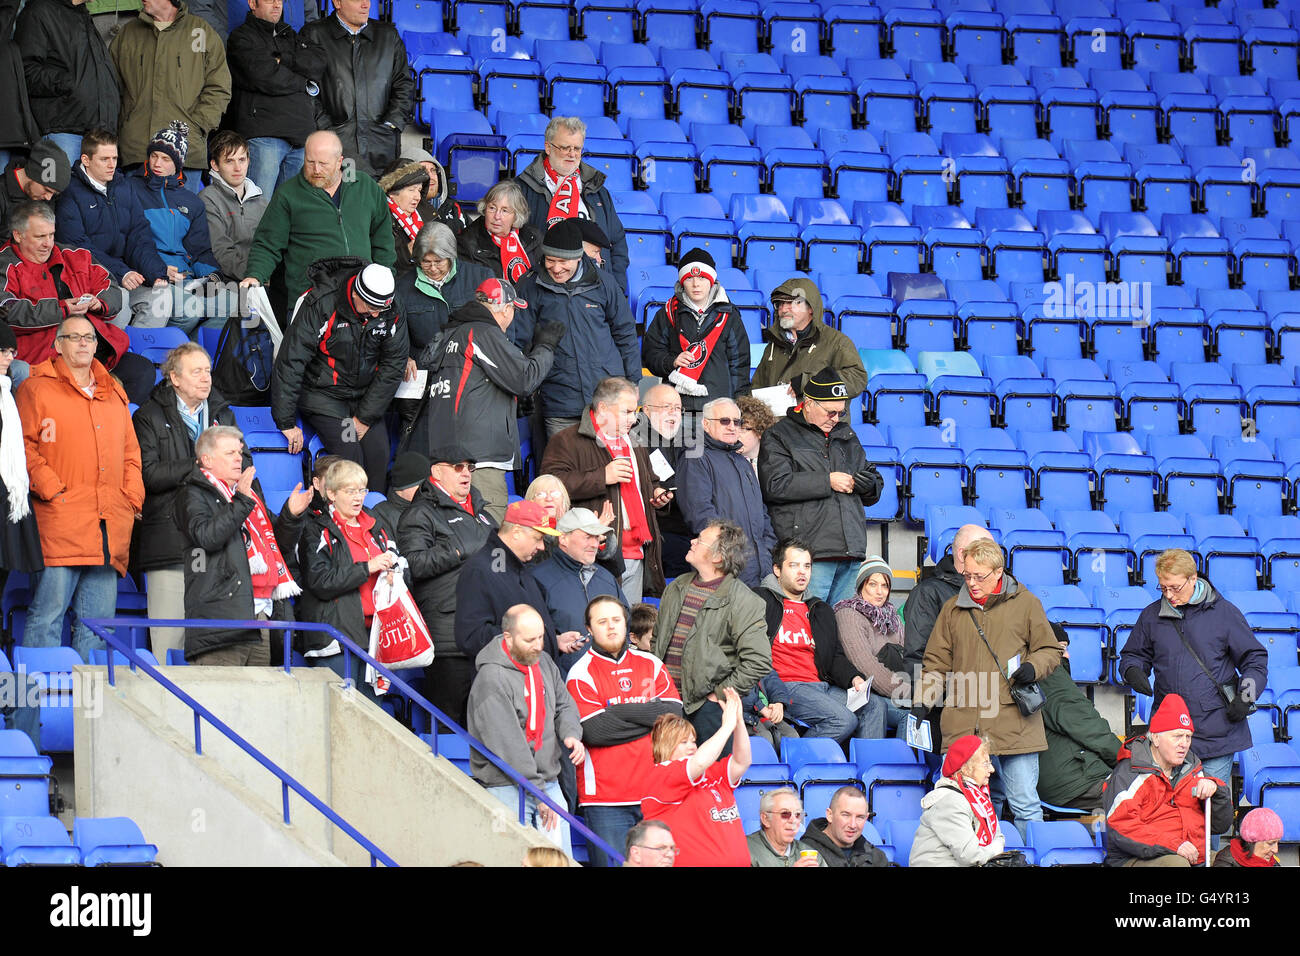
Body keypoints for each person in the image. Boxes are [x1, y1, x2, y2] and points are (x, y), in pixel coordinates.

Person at [15, 315, 143, 661]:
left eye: (89, 337)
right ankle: (37, 711)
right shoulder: (35, 388)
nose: (84, 343)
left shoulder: (113, 391)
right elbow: (22, 448)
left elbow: (132, 453)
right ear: (57, 345)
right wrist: (54, 491)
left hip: (108, 527)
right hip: (60, 523)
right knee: (46, 619)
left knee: (99, 629)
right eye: (74, 337)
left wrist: (131, 498)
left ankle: (87, 715)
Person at [918, 537, 1062, 837]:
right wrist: (924, 699)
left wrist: (1031, 668)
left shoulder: (1027, 604)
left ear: (998, 572)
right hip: (965, 725)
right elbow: (935, 661)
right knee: (967, 807)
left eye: (978, 576)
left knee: (1024, 805)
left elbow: (1050, 650)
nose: (971, 582)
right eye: (966, 575)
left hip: (1014, 722)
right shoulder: (951, 609)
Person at [1119, 547, 1268, 829]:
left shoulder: (1224, 613)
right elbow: (1132, 655)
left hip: (1216, 733)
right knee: (1169, 815)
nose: (1168, 595)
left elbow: (1254, 658)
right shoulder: (1152, 616)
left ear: (1193, 578)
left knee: (1207, 815)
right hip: (1169, 736)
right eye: (1162, 588)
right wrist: (1133, 671)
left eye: (1174, 587)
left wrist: (1246, 694)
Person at [409, 277, 564, 522]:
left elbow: (476, 385)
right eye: (513, 308)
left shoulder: (450, 332)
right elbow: (525, 378)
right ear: (506, 309)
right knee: (488, 532)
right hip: (478, 460)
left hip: (445, 456)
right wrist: (545, 347)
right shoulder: (482, 332)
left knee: (455, 529)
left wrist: (511, 403)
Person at [132, 343, 242, 658]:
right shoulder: (148, 415)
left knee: (212, 646)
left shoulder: (222, 413)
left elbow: (241, 465)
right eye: (197, 371)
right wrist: (199, 465)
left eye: (208, 370)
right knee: (170, 643)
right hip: (168, 542)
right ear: (175, 378)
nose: (206, 378)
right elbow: (149, 475)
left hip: (217, 544)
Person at [175, 424, 310, 664]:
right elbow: (207, 537)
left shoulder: (246, 494)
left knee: (258, 699)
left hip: (262, 612)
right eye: (230, 454)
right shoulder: (192, 493)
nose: (239, 459)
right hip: (222, 618)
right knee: (221, 699)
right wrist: (241, 501)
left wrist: (290, 515)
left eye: (239, 452)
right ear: (206, 459)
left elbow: (278, 546)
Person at [270, 259, 407, 491]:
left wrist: (364, 418)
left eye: (380, 309)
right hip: (326, 397)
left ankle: (372, 520)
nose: (375, 315)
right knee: (350, 451)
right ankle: (346, 519)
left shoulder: (390, 308)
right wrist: (285, 420)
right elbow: (291, 360)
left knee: (379, 454)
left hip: (364, 398)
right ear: (355, 295)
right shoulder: (322, 303)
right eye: (371, 308)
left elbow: (393, 365)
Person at [566, 594, 682, 867]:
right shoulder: (580, 673)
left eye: (616, 619)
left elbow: (673, 716)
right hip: (606, 800)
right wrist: (649, 720)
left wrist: (615, 711)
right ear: (589, 629)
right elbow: (595, 731)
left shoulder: (651, 664)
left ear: (626, 624)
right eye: (602, 621)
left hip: (654, 794)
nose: (611, 626)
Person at [758, 366, 882, 605]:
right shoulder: (779, 435)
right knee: (809, 622)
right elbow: (775, 485)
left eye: (840, 413)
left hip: (851, 549)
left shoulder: (847, 434)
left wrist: (866, 485)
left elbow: (873, 480)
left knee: (842, 626)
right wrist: (827, 481)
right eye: (830, 412)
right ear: (808, 404)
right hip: (810, 551)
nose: (836, 419)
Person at [540, 376, 671, 602]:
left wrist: (657, 495)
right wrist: (603, 476)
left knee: (625, 628)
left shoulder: (635, 439)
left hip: (639, 551)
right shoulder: (567, 440)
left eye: (635, 411)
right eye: (626, 412)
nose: (634, 418)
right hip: (599, 552)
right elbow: (551, 485)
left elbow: (651, 480)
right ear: (602, 408)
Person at [468, 603, 584, 855]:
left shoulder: (543, 661)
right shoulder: (491, 679)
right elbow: (508, 746)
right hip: (506, 786)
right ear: (508, 637)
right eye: (530, 639)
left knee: (559, 860)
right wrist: (537, 794)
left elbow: (565, 704)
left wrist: (571, 733)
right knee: (509, 858)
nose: (539, 645)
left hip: (548, 782)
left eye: (542, 637)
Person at [397, 444, 497, 725]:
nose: (466, 473)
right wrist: (455, 550)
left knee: (483, 725)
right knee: (448, 726)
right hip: (447, 638)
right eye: (457, 467)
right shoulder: (421, 513)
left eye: (470, 468)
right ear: (436, 472)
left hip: (484, 633)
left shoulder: (482, 512)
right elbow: (411, 564)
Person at [650, 520, 770, 751]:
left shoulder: (744, 601)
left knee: (712, 781)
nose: (692, 541)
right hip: (666, 704)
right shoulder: (676, 587)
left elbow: (758, 660)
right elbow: (657, 639)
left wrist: (718, 695)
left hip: (707, 711)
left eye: (700, 540)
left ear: (717, 557)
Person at [241, 130, 396, 306]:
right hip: (309, 301)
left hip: (360, 300)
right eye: (310, 162)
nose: (316, 170)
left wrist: (386, 280)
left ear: (340, 162)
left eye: (323, 164)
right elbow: (267, 244)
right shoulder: (288, 194)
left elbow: (383, 242)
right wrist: (255, 275)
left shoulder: (366, 186)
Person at [513, 222, 640, 436]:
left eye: (563, 261)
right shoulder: (529, 286)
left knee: (613, 465)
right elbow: (518, 341)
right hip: (560, 399)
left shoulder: (605, 283)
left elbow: (625, 333)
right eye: (550, 260)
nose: (556, 267)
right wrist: (521, 388)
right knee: (564, 467)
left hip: (608, 398)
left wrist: (634, 382)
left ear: (579, 257)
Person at [0, 201, 137, 388]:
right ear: (18, 235)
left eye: (51, 235)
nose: (48, 244)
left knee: (141, 371)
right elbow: (6, 311)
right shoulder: (5, 264)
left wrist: (99, 303)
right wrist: (62, 309)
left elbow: (111, 287)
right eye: (40, 236)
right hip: (39, 358)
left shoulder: (74, 254)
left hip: (91, 348)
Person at [297, 458, 406, 689]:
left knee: (371, 714)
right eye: (350, 491)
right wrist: (367, 567)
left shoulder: (377, 527)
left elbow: (400, 563)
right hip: (337, 637)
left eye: (362, 490)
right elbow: (320, 580)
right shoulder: (317, 530)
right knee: (341, 713)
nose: (358, 497)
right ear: (331, 493)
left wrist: (394, 574)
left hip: (376, 635)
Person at [758, 538, 882, 741]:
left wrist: (853, 677)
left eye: (807, 566)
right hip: (787, 686)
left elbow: (834, 655)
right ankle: (798, 759)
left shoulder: (820, 609)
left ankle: (871, 772)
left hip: (821, 687)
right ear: (777, 570)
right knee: (842, 720)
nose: (802, 572)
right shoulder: (760, 601)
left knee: (874, 705)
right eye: (794, 565)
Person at [1102, 694, 1232, 867]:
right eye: (1177, 736)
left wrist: (1216, 791)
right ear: (1155, 738)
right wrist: (1173, 845)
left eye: (1188, 737)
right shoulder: (1130, 772)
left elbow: (1220, 825)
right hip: (1138, 858)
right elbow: (1122, 826)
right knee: (1177, 865)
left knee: (1238, 860)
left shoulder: (1193, 770)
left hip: (1192, 855)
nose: (1184, 744)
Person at [54, 128, 172, 309]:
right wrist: (121, 273)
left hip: (123, 273)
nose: (112, 165)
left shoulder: (124, 186)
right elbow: (77, 246)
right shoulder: (69, 191)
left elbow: (139, 235)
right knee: (120, 299)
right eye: (104, 159)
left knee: (161, 298)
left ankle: (141, 339)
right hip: (90, 279)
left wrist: (155, 272)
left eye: (115, 158)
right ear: (86, 160)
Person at [110, 0, 231, 173]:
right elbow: (111, 89)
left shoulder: (201, 31)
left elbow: (219, 87)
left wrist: (197, 126)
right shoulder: (128, 33)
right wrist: (124, 126)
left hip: (186, 152)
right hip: (136, 152)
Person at [514, 116, 629, 293]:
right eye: (565, 147)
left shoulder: (598, 190)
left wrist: (617, 288)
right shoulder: (522, 188)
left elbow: (617, 241)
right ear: (548, 147)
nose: (572, 154)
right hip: (544, 287)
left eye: (577, 148)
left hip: (595, 289)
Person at [640, 689, 752, 867]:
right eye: (683, 742)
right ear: (665, 746)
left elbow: (742, 762)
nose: (692, 747)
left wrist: (738, 724)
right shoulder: (661, 774)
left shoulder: (710, 772)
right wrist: (726, 727)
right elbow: (699, 762)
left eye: (693, 741)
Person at [225, 0, 327, 195]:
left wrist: (284, 60)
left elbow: (318, 62)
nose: (276, 4)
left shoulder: (291, 34)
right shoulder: (241, 37)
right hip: (265, 137)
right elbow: (264, 76)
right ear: (252, 3)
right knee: (260, 211)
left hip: (300, 136)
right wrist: (303, 83)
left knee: (292, 214)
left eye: (279, 0)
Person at [301, 0, 412, 177]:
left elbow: (403, 84)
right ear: (337, 2)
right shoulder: (315, 34)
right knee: (342, 200)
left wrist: (391, 124)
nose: (365, 4)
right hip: (336, 146)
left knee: (378, 201)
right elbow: (307, 90)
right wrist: (328, 133)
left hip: (382, 144)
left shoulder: (388, 36)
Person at [124, 121, 221, 324]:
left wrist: (212, 277)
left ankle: (200, 352)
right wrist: (160, 269)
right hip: (153, 275)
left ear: (177, 164)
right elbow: (130, 242)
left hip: (187, 277)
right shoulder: (130, 189)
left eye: (166, 159)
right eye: (154, 156)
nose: (157, 164)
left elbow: (200, 250)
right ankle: (175, 351)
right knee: (191, 310)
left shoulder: (192, 202)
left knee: (235, 305)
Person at [676, 396, 775, 589]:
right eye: (724, 421)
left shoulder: (742, 461)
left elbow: (762, 513)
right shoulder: (696, 457)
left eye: (737, 422)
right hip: (725, 566)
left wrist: (768, 549)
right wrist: (727, 554)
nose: (732, 427)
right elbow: (700, 515)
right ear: (705, 424)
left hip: (761, 566)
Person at [454, 499, 565, 663]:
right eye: (538, 538)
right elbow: (470, 636)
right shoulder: (479, 570)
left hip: (533, 678)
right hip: (506, 683)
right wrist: (524, 640)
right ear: (517, 532)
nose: (542, 546)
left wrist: (554, 640)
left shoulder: (519, 566)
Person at [641, 248, 750, 415]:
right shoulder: (666, 314)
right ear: (682, 282)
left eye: (702, 278)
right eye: (689, 278)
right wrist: (672, 361)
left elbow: (739, 364)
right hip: (677, 406)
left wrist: (739, 406)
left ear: (712, 281)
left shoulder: (730, 315)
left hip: (718, 407)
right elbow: (650, 354)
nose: (696, 284)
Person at [14, 0, 120, 168]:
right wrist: (70, 84)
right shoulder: (39, 11)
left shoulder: (81, 14)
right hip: (63, 131)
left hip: (95, 134)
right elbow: (25, 71)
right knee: (57, 193)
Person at [530, 508, 626, 674]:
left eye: (596, 537)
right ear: (563, 539)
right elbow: (527, 638)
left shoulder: (607, 578)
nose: (595, 544)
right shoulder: (537, 579)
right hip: (563, 686)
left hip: (611, 680)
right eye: (587, 537)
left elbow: (626, 622)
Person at [1038, 623, 1120, 812]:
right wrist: (1125, 757)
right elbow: (1089, 728)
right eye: (1062, 649)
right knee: (1143, 795)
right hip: (1074, 781)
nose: (1068, 655)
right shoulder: (1051, 675)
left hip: (1063, 776)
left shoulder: (1035, 672)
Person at [902, 523, 995, 680]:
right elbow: (917, 659)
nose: (994, 558)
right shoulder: (928, 593)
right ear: (961, 554)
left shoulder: (998, 590)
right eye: (985, 551)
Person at [750, 277, 866, 399]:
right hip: (778, 418)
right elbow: (757, 388)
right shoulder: (773, 346)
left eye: (791, 303)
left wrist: (807, 383)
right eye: (779, 304)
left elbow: (857, 379)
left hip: (822, 418)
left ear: (811, 308)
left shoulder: (836, 342)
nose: (783, 309)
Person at [834, 556, 911, 732]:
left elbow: (908, 656)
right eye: (873, 584)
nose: (880, 592)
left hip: (895, 691)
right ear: (861, 586)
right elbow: (866, 666)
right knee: (908, 714)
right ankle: (886, 760)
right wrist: (905, 691)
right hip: (861, 690)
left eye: (885, 586)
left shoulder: (893, 618)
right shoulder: (848, 614)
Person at [394, 222, 492, 356]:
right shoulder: (402, 288)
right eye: (426, 262)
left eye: (438, 261)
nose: (433, 268)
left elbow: (498, 325)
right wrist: (406, 358)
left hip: (470, 362)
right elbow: (397, 338)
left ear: (451, 256)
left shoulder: (481, 278)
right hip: (424, 366)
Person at [911, 735, 1006, 867]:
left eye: (989, 763)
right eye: (985, 764)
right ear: (966, 769)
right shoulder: (950, 802)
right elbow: (971, 856)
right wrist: (995, 849)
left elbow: (999, 837)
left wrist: (992, 849)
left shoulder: (979, 798)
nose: (992, 769)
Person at [0, 319, 42, 583]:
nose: (9, 358)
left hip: (7, 494)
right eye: (2, 350)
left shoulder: (7, 393)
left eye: (11, 352)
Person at [637, 382, 692, 579]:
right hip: (657, 529)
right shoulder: (635, 442)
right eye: (667, 407)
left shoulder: (687, 440)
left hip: (687, 524)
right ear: (647, 411)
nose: (674, 412)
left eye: (678, 408)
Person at [200, 130, 267, 281]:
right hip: (230, 279)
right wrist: (255, 276)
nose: (238, 168)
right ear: (215, 165)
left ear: (248, 161)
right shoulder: (207, 198)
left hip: (262, 275)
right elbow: (220, 252)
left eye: (242, 160)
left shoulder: (262, 201)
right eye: (229, 161)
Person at [456, 180, 542, 283]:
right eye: (492, 208)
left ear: (516, 215)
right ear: (484, 208)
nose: (497, 216)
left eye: (505, 211)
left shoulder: (533, 238)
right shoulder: (466, 244)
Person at [800, 786, 891, 867]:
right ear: (830, 815)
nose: (853, 825)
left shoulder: (877, 857)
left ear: (866, 818)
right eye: (846, 815)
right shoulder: (803, 852)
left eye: (860, 817)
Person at [0, 140, 71, 236]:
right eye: (47, 190)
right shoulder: (2, 192)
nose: (49, 198)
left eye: (54, 193)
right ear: (33, 174)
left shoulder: (46, 197)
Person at [748, 787, 825, 867]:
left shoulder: (809, 854)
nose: (793, 820)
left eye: (797, 814)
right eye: (785, 814)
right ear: (766, 819)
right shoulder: (744, 850)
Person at [378, 159, 428, 276]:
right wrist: (407, 252)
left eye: (419, 190)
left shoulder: (429, 214)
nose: (417, 197)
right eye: (411, 190)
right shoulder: (380, 219)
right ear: (392, 192)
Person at [402, 147, 469, 234]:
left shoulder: (453, 207)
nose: (431, 177)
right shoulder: (402, 211)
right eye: (423, 171)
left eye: (433, 170)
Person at [371, 451, 427, 532]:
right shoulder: (382, 517)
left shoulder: (428, 508)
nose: (427, 489)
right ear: (403, 487)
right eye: (422, 485)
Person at [1212, 807, 1283, 869]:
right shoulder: (1226, 861)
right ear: (1251, 841)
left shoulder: (1271, 862)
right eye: (1270, 843)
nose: (1276, 850)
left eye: (1277, 843)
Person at [734, 395, 774, 475]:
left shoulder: (776, 461)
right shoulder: (725, 463)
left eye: (743, 429)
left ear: (759, 431)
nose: (736, 435)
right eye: (734, 429)